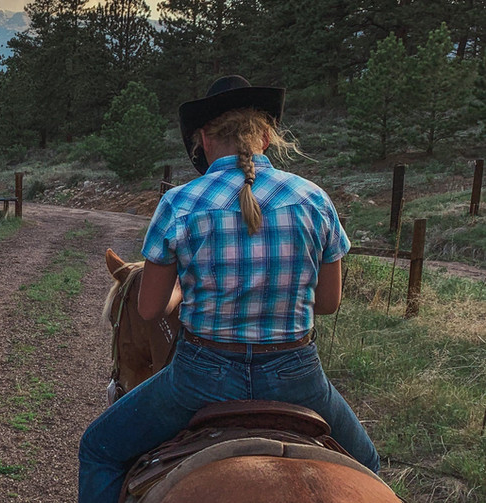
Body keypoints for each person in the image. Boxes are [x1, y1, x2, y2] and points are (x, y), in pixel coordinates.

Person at [78, 75, 380, 503]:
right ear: (267, 136)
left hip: (201, 378)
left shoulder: (180, 203)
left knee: (99, 450)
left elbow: (149, 310)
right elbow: (328, 303)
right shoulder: (313, 199)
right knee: (367, 463)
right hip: (297, 377)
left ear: (203, 140)